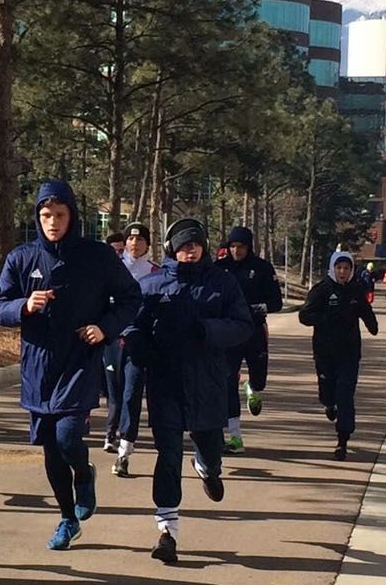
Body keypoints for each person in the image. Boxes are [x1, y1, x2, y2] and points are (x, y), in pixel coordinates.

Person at [0, 181, 140, 551]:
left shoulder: (97, 256)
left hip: (80, 359)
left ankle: (85, 473)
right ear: (37, 218)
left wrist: (104, 328)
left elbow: (130, 297)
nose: (53, 222)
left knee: (66, 436)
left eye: (60, 215)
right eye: (46, 216)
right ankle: (67, 518)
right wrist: (24, 306)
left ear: (72, 216)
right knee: (49, 448)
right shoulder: (22, 258)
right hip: (38, 364)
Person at [120, 219, 253, 565]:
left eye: (195, 244)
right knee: (167, 454)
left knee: (210, 444)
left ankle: (207, 468)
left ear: (204, 246)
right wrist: (138, 345)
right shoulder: (152, 285)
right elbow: (132, 323)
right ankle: (167, 531)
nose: (189, 250)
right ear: (170, 249)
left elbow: (243, 325)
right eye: (182, 245)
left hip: (208, 381)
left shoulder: (222, 283)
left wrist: (206, 330)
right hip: (166, 382)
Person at [298, 251, 379, 461]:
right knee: (328, 393)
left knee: (345, 395)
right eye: (339, 268)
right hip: (325, 352)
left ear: (351, 270)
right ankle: (328, 404)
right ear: (333, 268)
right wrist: (325, 318)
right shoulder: (321, 290)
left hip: (349, 352)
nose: (342, 272)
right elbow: (304, 316)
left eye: (346, 268)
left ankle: (342, 441)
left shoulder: (356, 290)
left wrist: (372, 325)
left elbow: (366, 311)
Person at [214, 226, 283, 454]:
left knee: (259, 378)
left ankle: (253, 388)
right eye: (232, 246)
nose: (236, 250)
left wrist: (256, 308)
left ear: (249, 247)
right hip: (230, 333)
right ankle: (235, 437)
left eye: (241, 246)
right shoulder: (220, 269)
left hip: (254, 331)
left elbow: (276, 303)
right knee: (227, 381)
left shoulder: (262, 268)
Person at [106, 222, 159, 464]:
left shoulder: (155, 272)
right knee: (114, 394)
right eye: (130, 239)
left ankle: (125, 449)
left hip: (139, 341)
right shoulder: (111, 268)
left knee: (131, 393)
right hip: (111, 339)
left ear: (147, 244)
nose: (135, 244)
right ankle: (110, 433)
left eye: (140, 240)